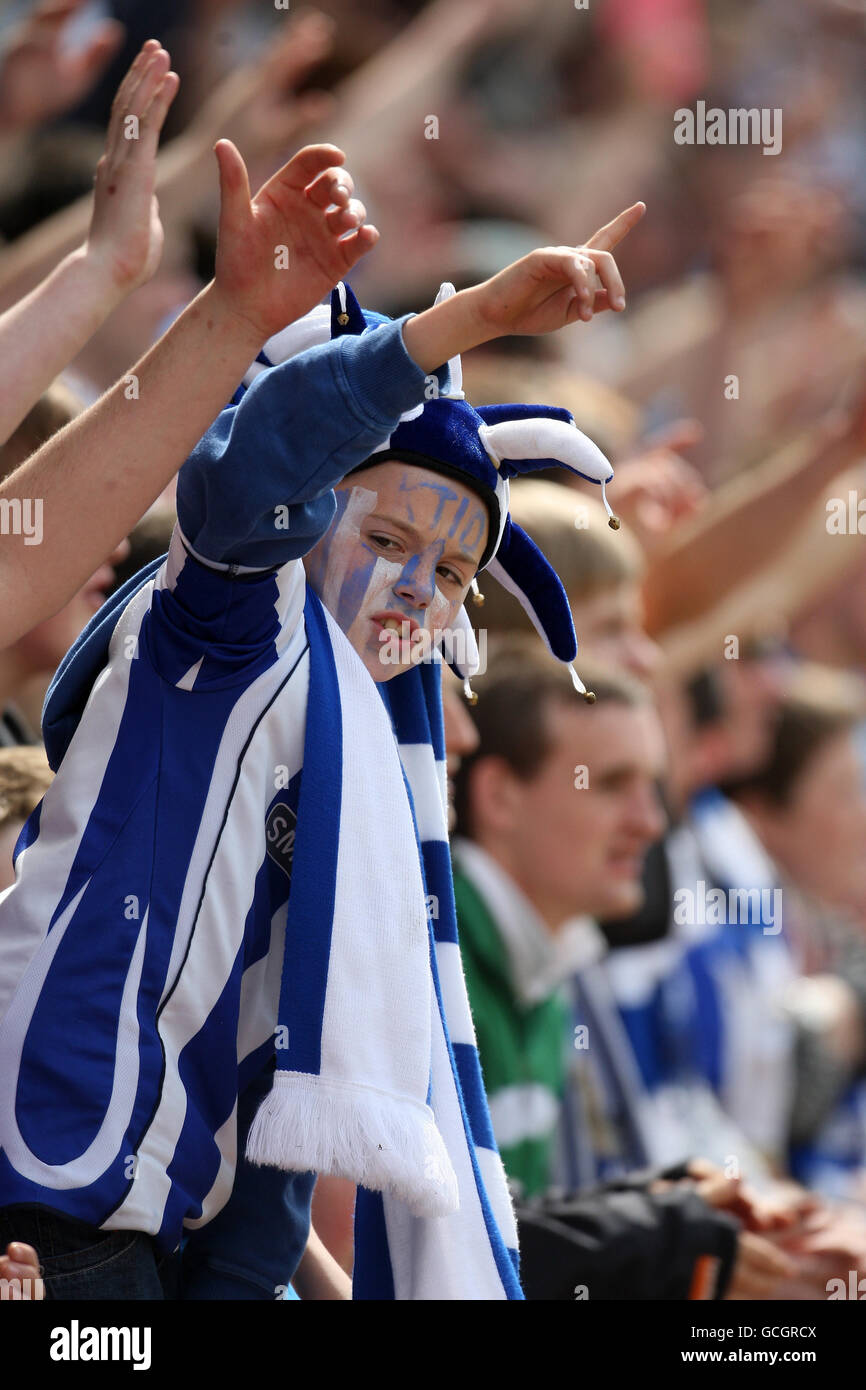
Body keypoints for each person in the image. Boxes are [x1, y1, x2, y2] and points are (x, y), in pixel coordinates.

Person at [0, 200, 645, 1299]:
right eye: (385, 538)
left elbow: (286, 1110)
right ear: (309, 524)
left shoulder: (381, 779)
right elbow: (255, 464)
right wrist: (468, 323)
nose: (412, 589)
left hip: (168, 1232)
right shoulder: (225, 623)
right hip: (56, 1201)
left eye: (447, 575)